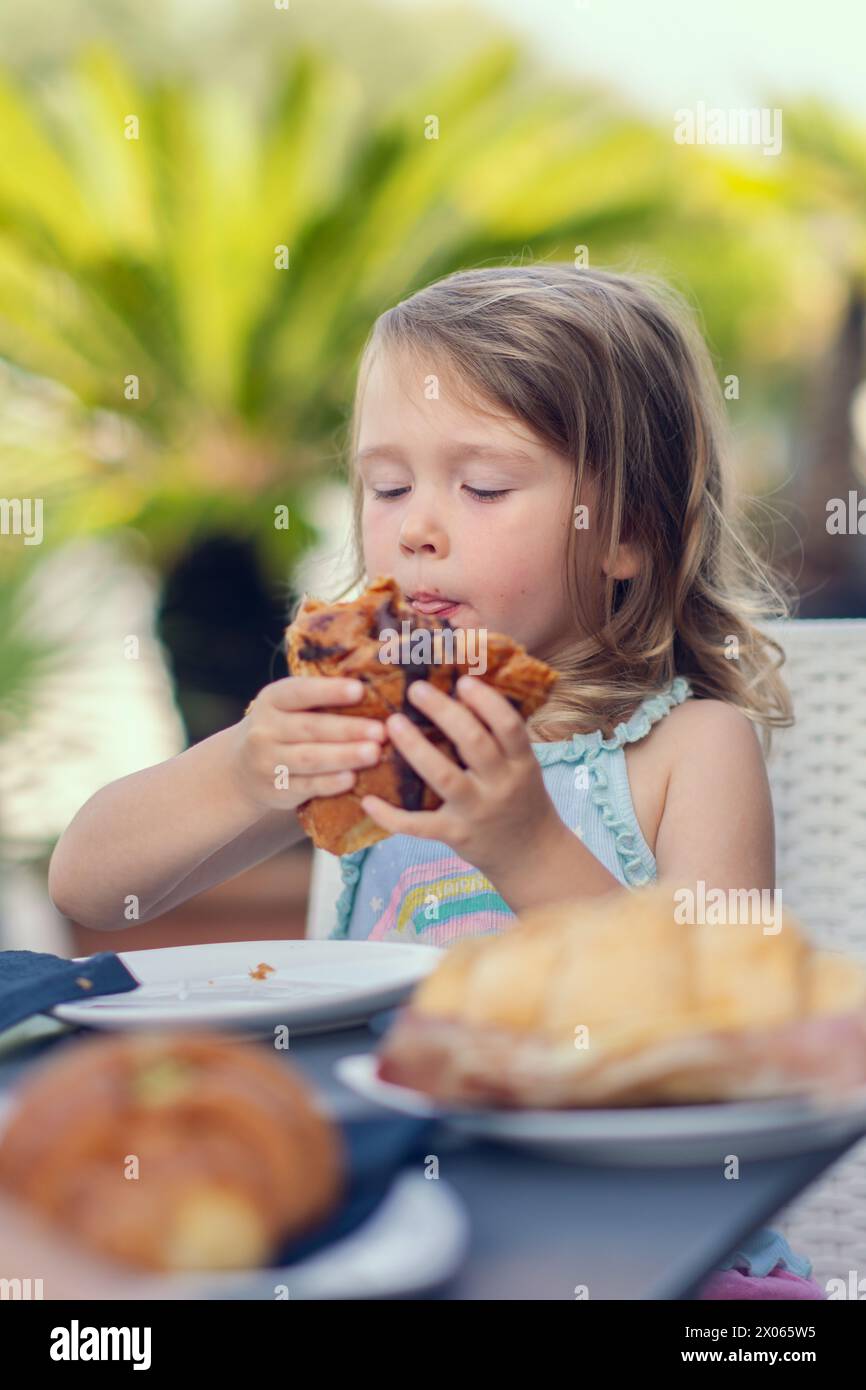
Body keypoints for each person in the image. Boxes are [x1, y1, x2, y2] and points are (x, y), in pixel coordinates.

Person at [49, 262, 824, 1299]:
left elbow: (715, 1027)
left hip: (649, 1244)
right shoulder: (369, 739)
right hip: (405, 1221)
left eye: (484, 486)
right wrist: (242, 773)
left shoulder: (687, 749)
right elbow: (91, 886)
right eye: (385, 485)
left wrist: (524, 844)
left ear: (628, 533)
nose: (416, 525)